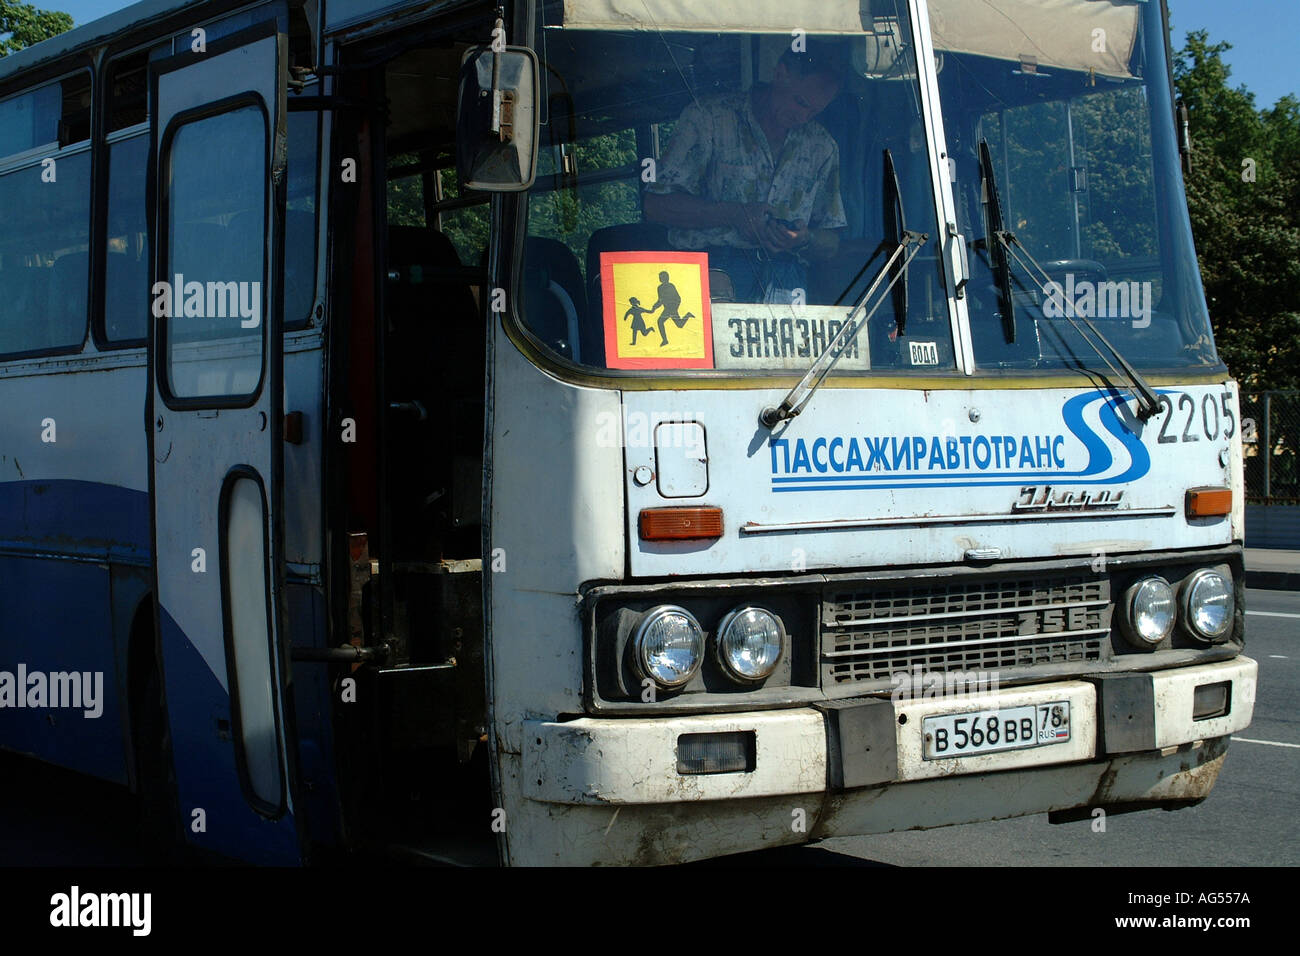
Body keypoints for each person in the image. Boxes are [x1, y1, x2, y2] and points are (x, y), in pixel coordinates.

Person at [643, 42, 849, 304]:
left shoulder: (822, 146)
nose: (804, 117)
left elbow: (832, 242)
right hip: (711, 277)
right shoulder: (709, 118)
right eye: (800, 102)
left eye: (815, 111)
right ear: (780, 74)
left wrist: (803, 239)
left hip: (787, 287)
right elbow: (655, 206)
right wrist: (733, 214)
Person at [649, 270, 695, 346]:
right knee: (679, 325)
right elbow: (660, 300)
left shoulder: (671, 286)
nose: (660, 278)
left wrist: (674, 307)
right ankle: (688, 315)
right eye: (659, 277)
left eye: (661, 277)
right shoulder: (659, 288)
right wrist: (654, 307)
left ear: (665, 278)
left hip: (671, 308)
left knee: (660, 321)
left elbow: (678, 298)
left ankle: (665, 340)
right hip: (668, 308)